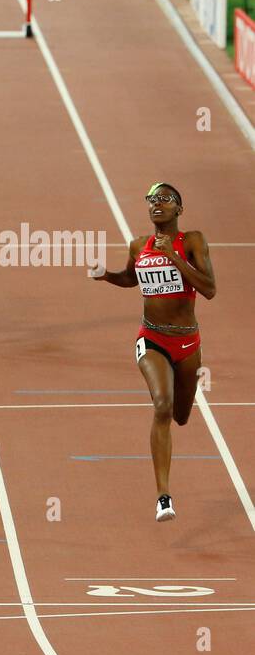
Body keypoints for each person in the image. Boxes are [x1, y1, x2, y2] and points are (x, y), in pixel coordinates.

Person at [89, 183, 215, 521]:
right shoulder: (137, 246)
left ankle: (177, 410)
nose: (156, 204)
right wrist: (106, 276)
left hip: (188, 343)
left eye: (165, 199)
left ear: (179, 209)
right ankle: (164, 497)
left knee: (181, 416)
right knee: (162, 405)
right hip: (152, 339)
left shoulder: (192, 242)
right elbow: (131, 280)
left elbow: (210, 289)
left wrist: (174, 258)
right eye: (151, 200)